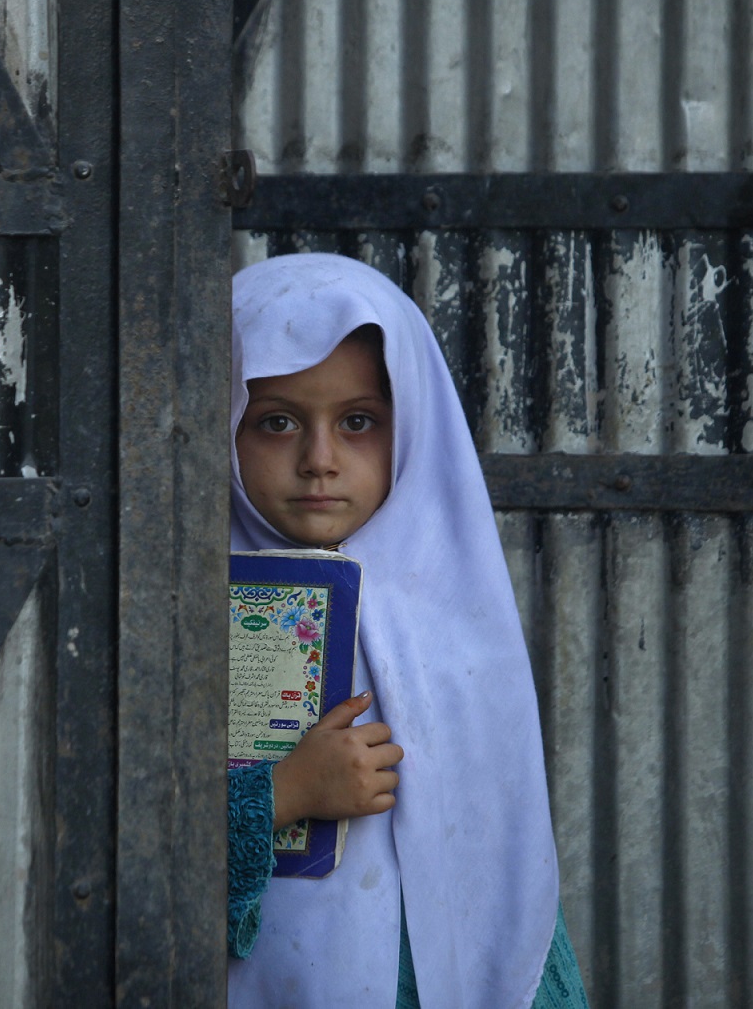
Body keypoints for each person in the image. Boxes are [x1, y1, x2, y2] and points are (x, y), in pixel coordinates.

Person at [226, 253, 588, 1008]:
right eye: (277, 422)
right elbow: (126, 861)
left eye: (358, 422)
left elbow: (503, 896)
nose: (319, 461)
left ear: (414, 425)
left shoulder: (457, 622)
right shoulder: (174, 614)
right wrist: (284, 794)